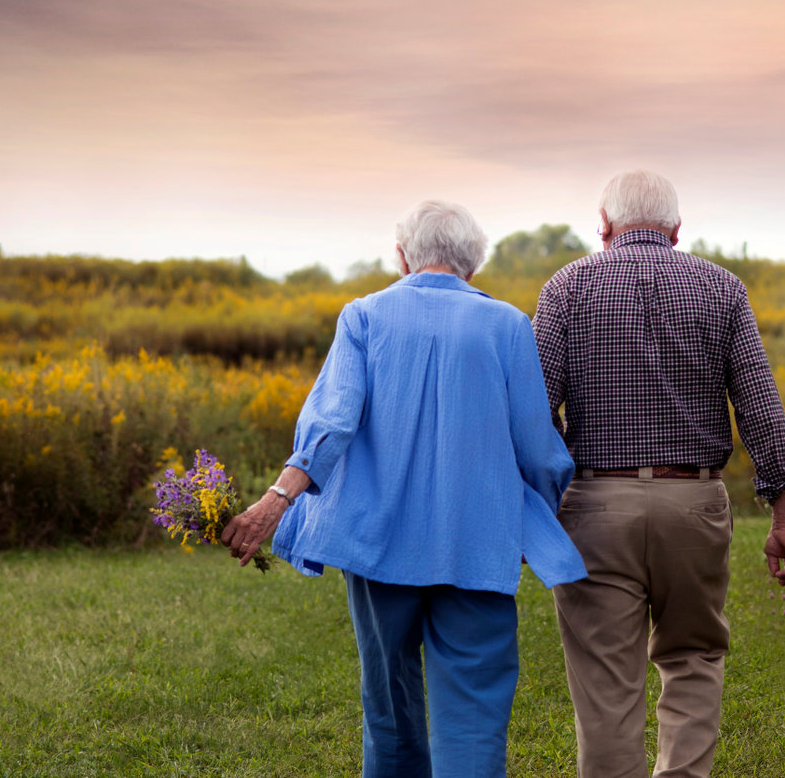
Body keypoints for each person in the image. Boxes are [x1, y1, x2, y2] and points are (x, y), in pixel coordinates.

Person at [222, 200, 586, 778]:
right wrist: (533, 517)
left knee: (388, 702)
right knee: (472, 710)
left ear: (401, 257)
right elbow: (539, 450)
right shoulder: (510, 325)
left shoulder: (363, 315)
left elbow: (332, 422)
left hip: (377, 545)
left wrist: (278, 497)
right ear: (474, 263)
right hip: (477, 543)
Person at [532, 170, 785, 778]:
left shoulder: (566, 288)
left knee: (606, 686)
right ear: (677, 230)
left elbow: (532, 412)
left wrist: (540, 507)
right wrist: (784, 517)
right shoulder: (723, 289)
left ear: (604, 227)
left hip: (595, 504)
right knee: (693, 658)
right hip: (695, 503)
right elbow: (760, 408)